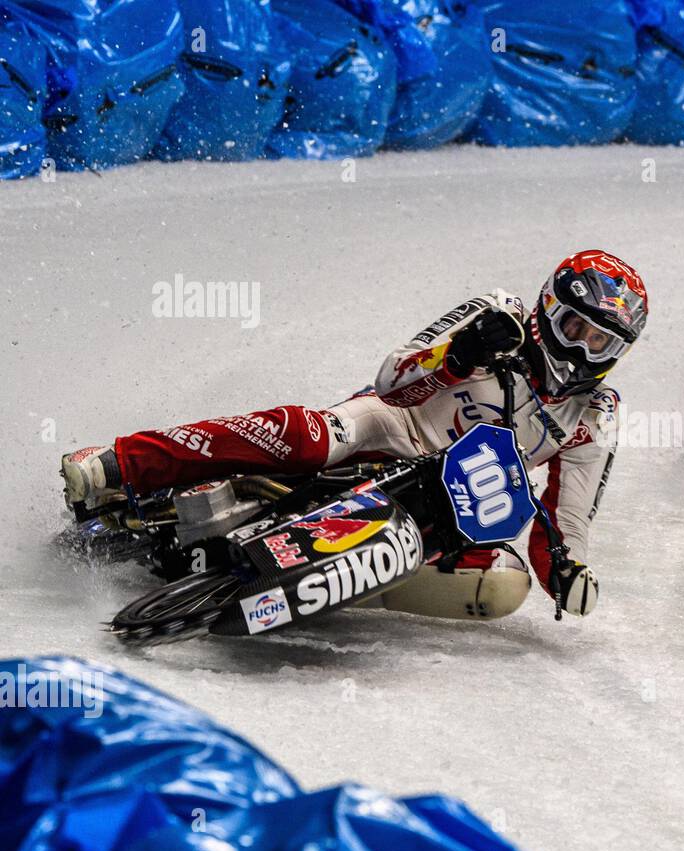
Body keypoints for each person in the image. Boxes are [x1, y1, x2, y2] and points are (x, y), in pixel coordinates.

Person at [62, 249, 648, 618]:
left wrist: (567, 574)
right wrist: (460, 354)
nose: (581, 349)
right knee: (311, 434)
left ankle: (344, 581)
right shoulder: (500, 313)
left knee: (503, 587)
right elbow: (392, 377)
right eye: (575, 327)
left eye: (601, 342)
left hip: (449, 505)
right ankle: (122, 463)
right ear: (549, 308)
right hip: (395, 425)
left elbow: (568, 522)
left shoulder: (595, 414)